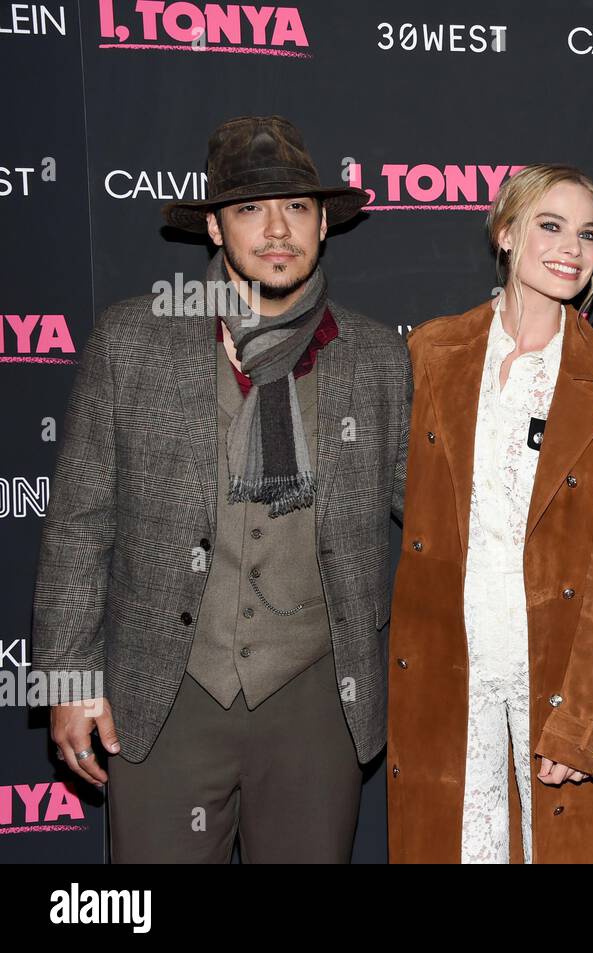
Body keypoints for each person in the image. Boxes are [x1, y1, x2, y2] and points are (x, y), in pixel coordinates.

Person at [32, 115, 412, 862]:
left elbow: (434, 508)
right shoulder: (132, 339)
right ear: (214, 227)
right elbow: (79, 522)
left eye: (298, 207)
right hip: (165, 693)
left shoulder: (376, 356)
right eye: (250, 209)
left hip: (317, 697)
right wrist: (70, 676)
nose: (278, 229)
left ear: (324, 225)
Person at [387, 164, 593, 863]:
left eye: (589, 233)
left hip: (557, 669)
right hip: (448, 662)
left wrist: (585, 717)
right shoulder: (431, 353)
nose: (573, 246)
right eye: (551, 225)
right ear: (505, 234)